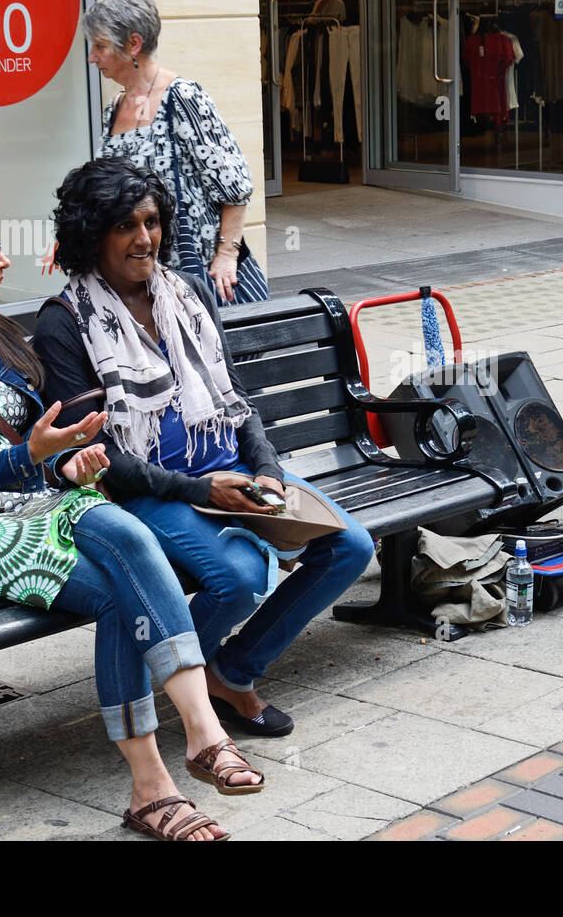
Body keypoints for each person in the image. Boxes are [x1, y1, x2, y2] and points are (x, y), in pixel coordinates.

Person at [0, 194, 267, 842]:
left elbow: (42, 448)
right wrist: (30, 459)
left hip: (39, 508)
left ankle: (158, 781)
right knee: (125, 542)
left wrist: (64, 466)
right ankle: (190, 747)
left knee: (118, 575)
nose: (2, 258)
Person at [34, 157, 374, 737]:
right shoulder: (64, 322)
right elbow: (97, 454)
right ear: (91, 234)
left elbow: (234, 394)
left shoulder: (187, 291)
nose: (145, 239)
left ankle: (230, 671)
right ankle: (173, 673)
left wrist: (267, 470)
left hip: (232, 469)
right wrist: (200, 489)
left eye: (152, 221)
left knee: (349, 547)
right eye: (125, 226)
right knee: (237, 579)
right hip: (149, 491)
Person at [84, 0, 266, 306]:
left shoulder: (182, 98)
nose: (92, 56)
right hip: (139, 284)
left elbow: (236, 187)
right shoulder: (114, 108)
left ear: (133, 46)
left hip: (196, 282)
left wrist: (226, 255)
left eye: (100, 46)